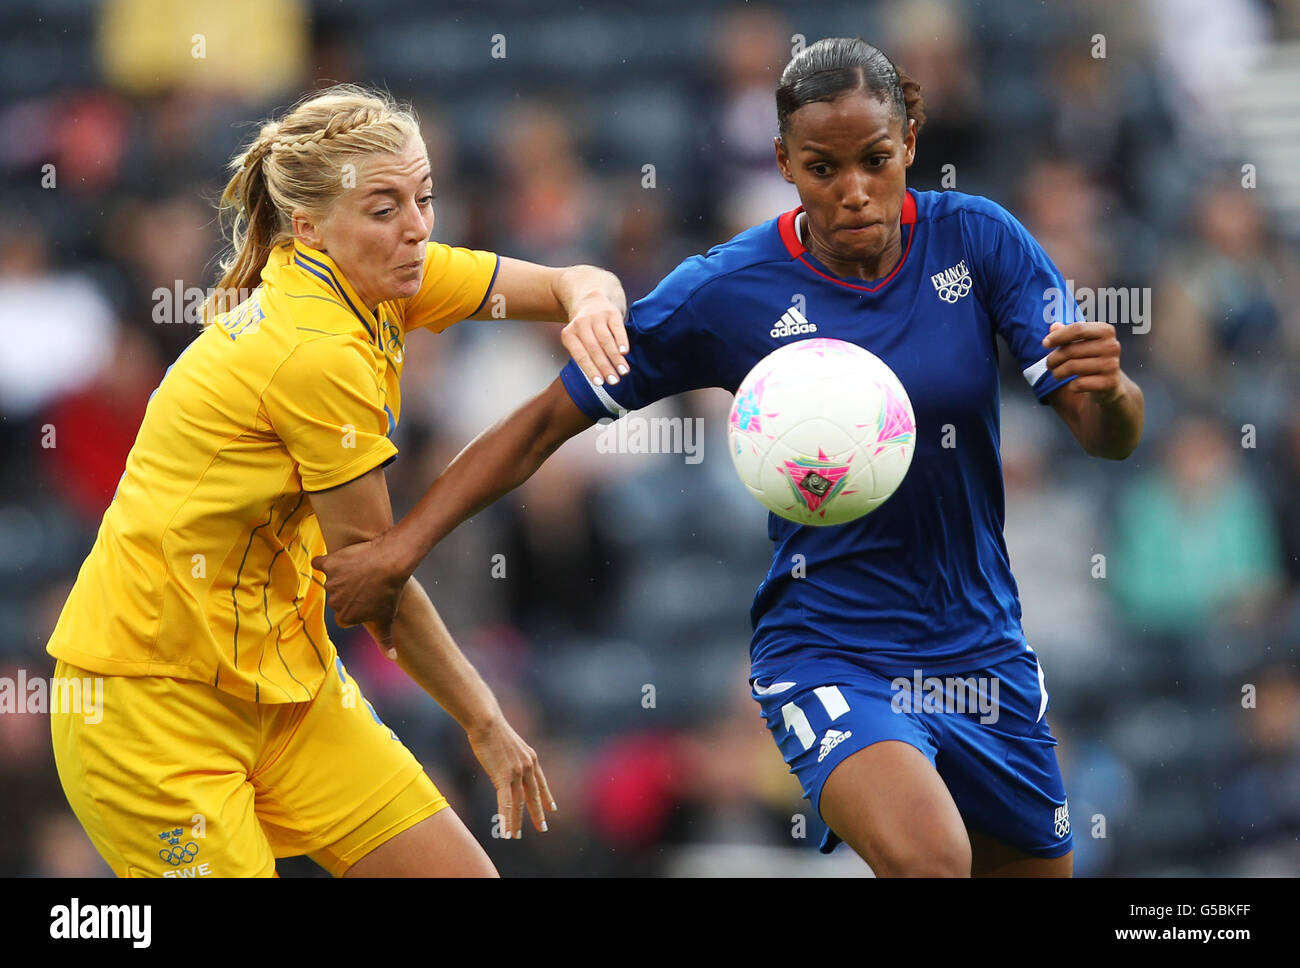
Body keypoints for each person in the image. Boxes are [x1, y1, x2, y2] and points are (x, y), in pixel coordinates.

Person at [316, 41, 1145, 877]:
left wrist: (1111, 393)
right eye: (823, 167)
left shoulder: (980, 240)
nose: (853, 191)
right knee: (931, 859)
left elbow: (1106, 435)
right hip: (832, 650)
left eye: (876, 161)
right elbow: (540, 424)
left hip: (981, 652)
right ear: (783, 159)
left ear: (912, 141)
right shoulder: (726, 291)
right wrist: (400, 548)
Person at [45, 84, 628, 878]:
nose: (418, 227)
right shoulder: (315, 350)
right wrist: (484, 718)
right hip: (151, 704)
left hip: (284, 684)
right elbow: (375, 579)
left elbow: (572, 279)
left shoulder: (388, 274)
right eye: (385, 208)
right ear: (310, 228)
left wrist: (592, 304)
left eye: (423, 197)